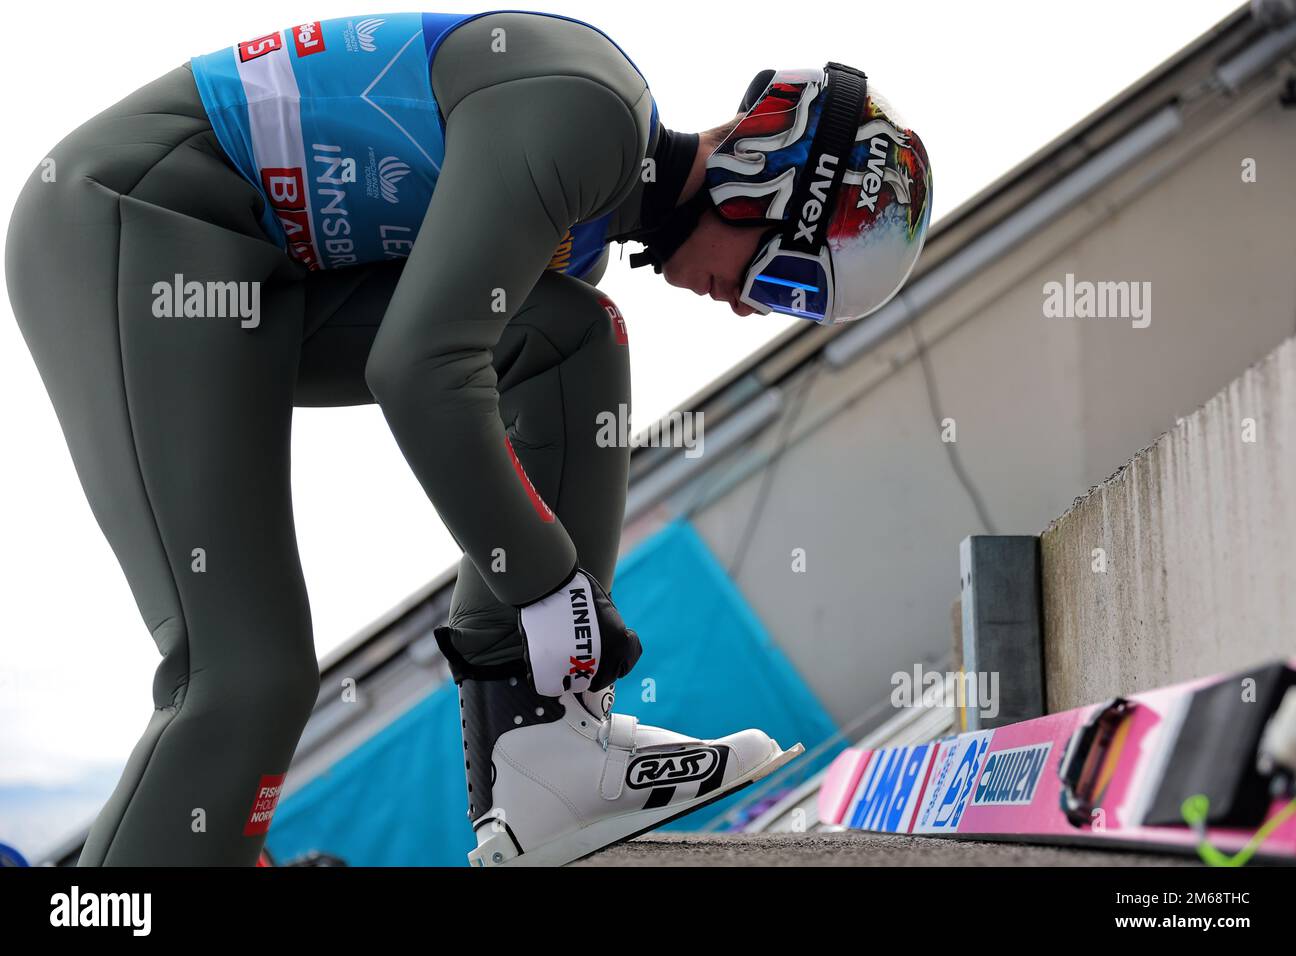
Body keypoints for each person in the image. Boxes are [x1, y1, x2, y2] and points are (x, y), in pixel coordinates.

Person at [5, 10, 931, 867]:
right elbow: (419, 369)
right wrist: (546, 582)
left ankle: (540, 752)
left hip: (248, 272)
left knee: (569, 335)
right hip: (136, 223)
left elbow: (447, 355)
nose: (752, 305)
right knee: (245, 676)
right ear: (775, 177)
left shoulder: (586, 223)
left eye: (793, 305)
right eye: (790, 279)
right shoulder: (592, 118)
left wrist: (545, 605)